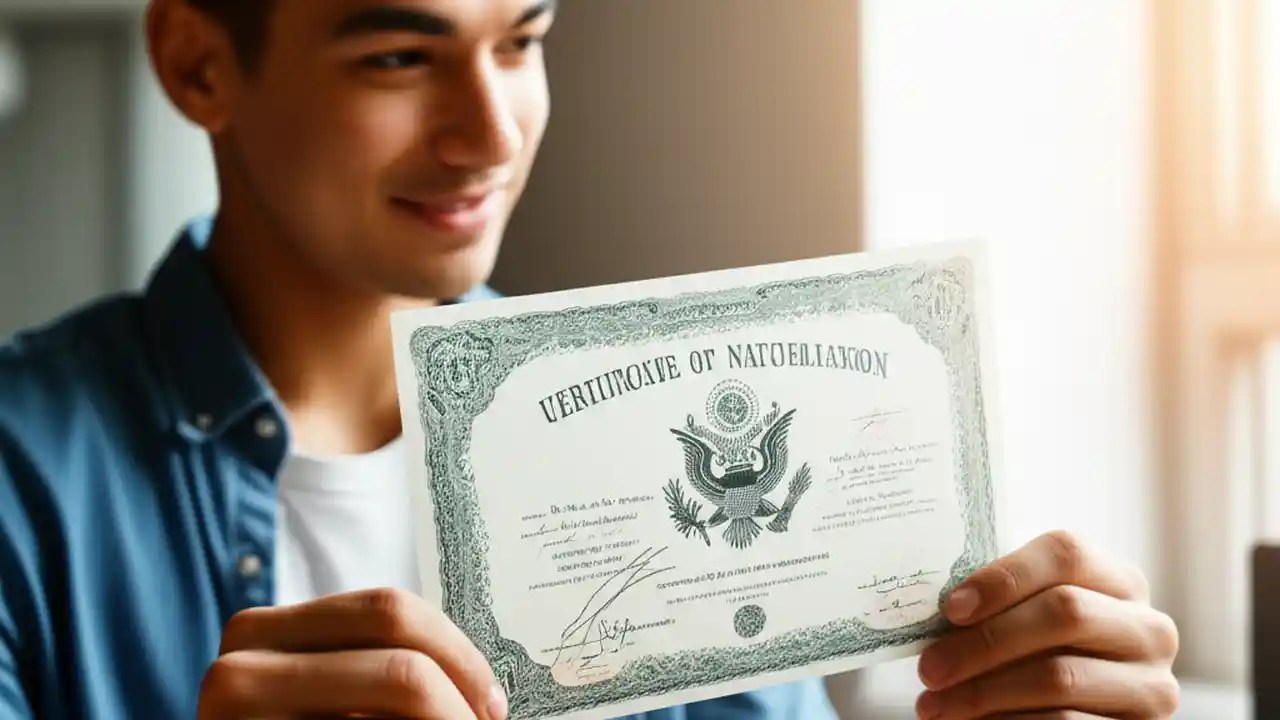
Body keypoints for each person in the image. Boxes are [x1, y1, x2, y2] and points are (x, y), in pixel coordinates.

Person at [0, 1, 1181, 718]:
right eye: (400, 57)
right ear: (197, 64)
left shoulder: (646, 423)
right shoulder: (21, 478)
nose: (490, 133)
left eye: (520, 40)